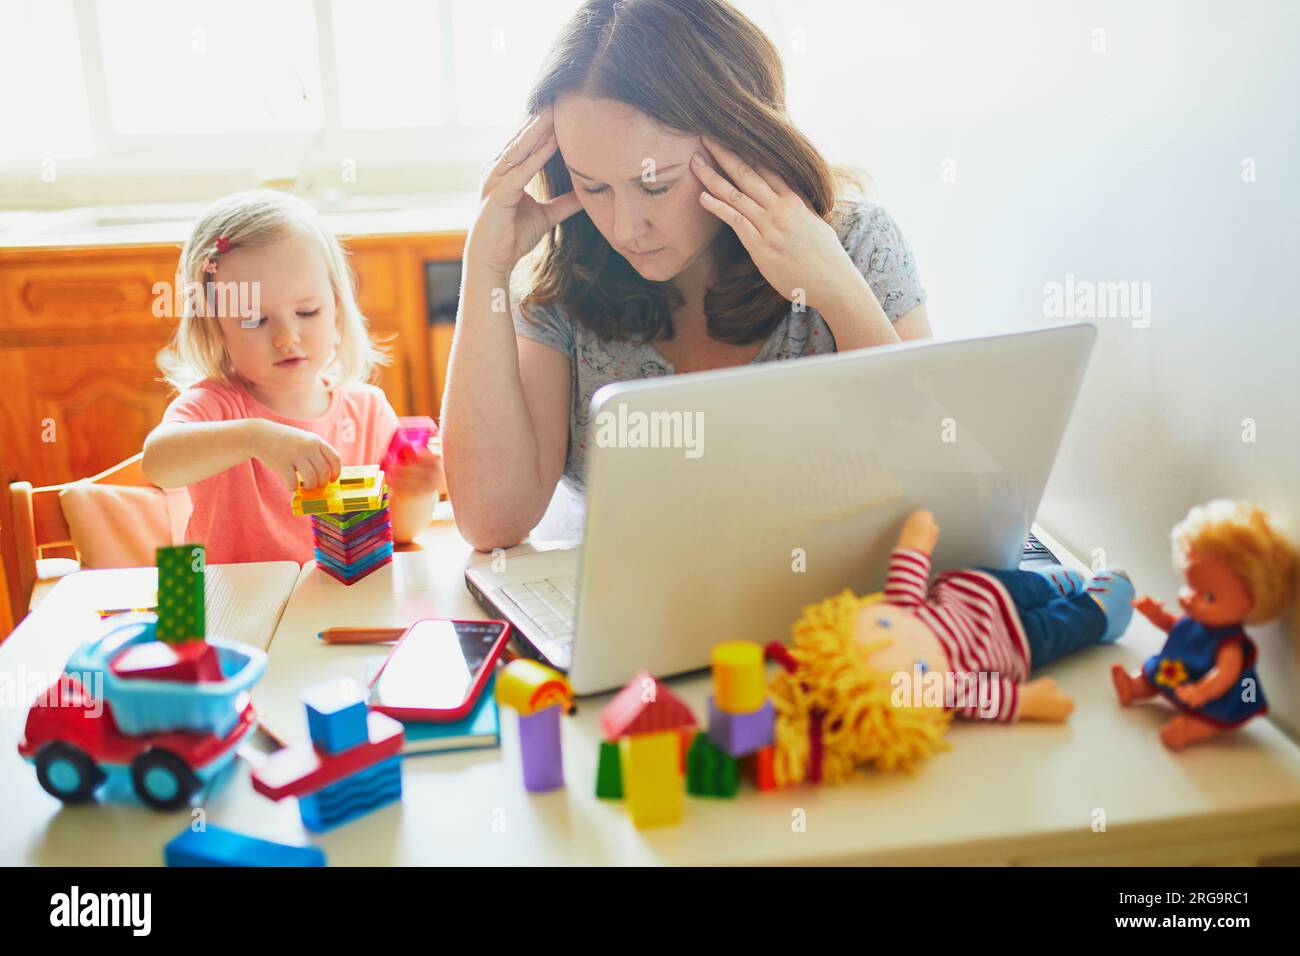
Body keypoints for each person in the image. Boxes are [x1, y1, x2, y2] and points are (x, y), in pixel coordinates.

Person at [441, 0, 932, 550]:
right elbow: (492, 520)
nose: (626, 228)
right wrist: (484, 268)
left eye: (656, 185)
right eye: (594, 187)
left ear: (743, 142)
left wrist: (835, 289)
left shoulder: (857, 244)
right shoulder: (564, 277)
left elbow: (928, 490)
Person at [143, 190, 443, 564]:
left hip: (339, 602)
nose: (286, 338)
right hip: (246, 612)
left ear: (335, 306)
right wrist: (255, 437)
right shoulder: (215, 406)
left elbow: (398, 531)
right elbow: (158, 464)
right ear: (215, 327)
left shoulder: (366, 411)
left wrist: (416, 491)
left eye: (306, 312)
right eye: (255, 320)